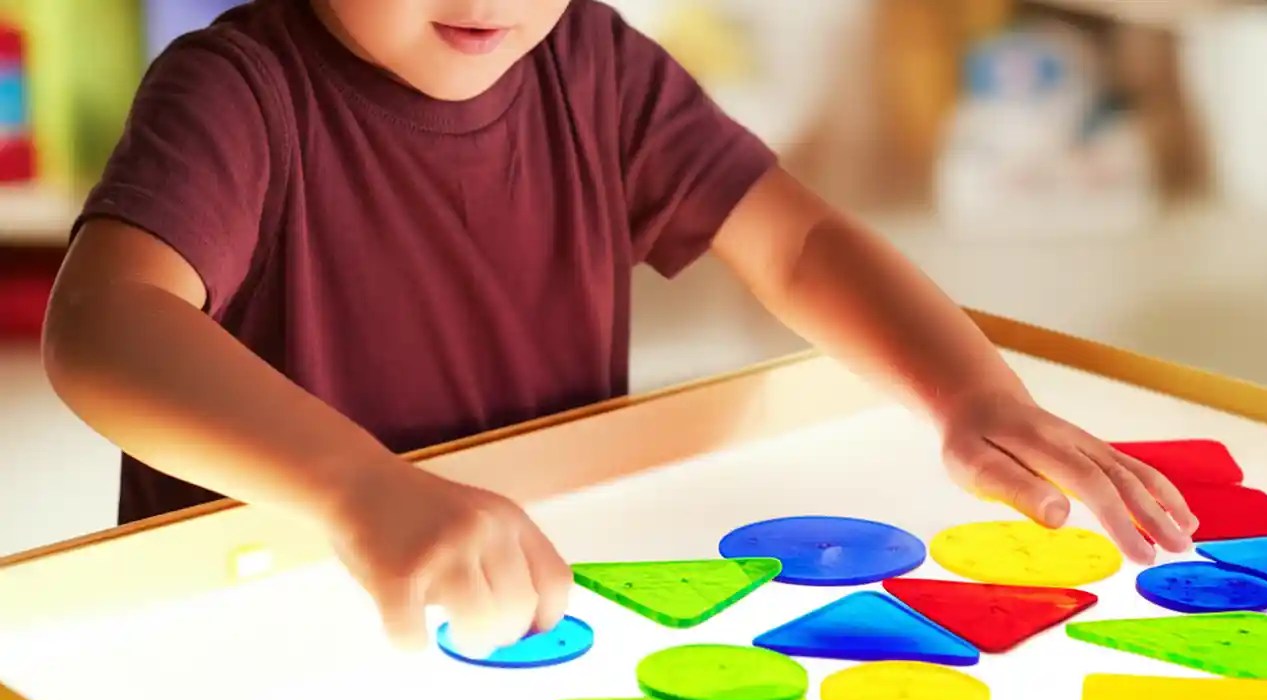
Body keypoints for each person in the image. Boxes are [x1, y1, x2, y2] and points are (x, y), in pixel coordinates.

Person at [41, 0, 1196, 657]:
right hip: (259, 618)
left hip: (522, 610)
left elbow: (791, 242)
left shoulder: (594, 65)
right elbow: (105, 326)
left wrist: (965, 395)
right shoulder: (235, 90)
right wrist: (362, 488)